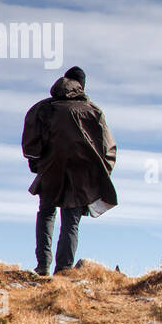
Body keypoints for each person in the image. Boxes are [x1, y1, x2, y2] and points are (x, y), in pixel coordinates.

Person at [21, 66, 117, 275]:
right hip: (80, 175)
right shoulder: (92, 110)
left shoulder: (42, 108)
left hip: (50, 170)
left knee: (46, 214)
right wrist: (100, 173)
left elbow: (31, 142)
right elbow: (107, 148)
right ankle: (64, 271)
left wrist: (36, 164)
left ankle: (43, 266)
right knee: (71, 223)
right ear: (82, 85)